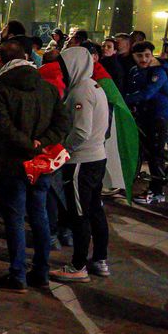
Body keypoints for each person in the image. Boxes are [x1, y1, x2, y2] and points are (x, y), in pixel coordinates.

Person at [0, 39, 72, 292]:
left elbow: (2, 125)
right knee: (40, 215)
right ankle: (41, 272)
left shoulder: (0, 89)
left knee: (14, 218)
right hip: (42, 163)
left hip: (13, 164)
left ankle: (18, 274)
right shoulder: (48, 89)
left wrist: (28, 144)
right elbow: (62, 124)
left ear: (1, 60)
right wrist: (41, 143)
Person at [51, 47, 111, 282]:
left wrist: (65, 149)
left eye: (64, 67)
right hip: (97, 158)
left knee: (80, 213)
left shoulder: (81, 91)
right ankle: (100, 259)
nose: (63, 72)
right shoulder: (94, 86)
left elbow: (81, 131)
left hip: (81, 162)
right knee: (95, 210)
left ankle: (78, 265)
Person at [127, 41, 168, 205]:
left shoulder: (158, 72)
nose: (143, 59)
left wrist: (124, 100)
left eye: (147, 55)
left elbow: (146, 94)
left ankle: (157, 192)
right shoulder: (136, 71)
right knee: (151, 152)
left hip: (158, 117)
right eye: (139, 56)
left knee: (155, 155)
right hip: (145, 117)